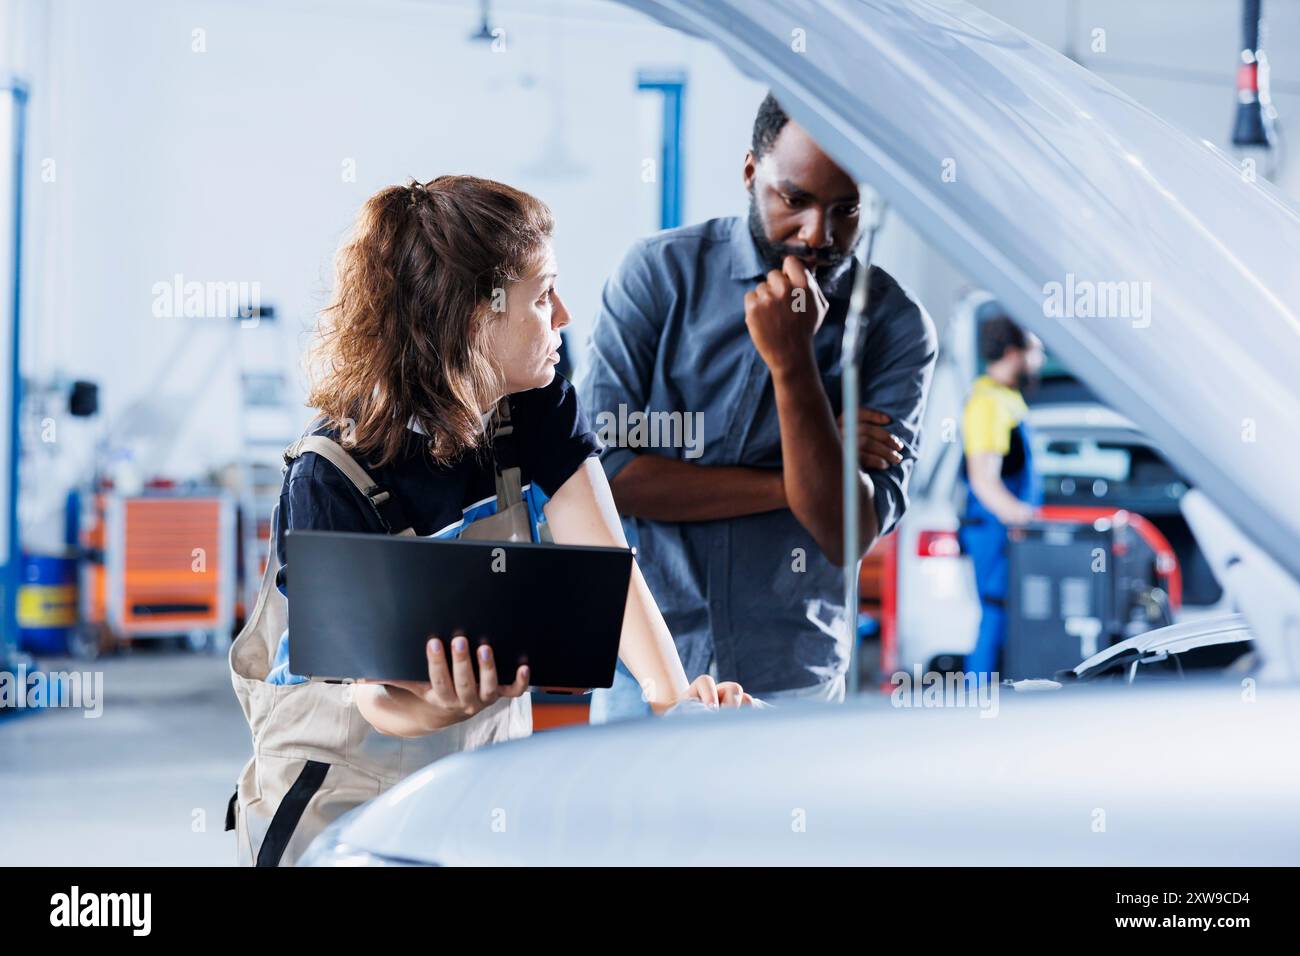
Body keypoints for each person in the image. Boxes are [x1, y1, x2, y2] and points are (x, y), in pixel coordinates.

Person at [229, 175, 751, 866]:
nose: (563, 314)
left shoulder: (533, 402)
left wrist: (678, 704)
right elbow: (372, 699)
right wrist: (439, 708)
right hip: (338, 782)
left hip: (474, 766)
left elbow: (608, 567)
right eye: (542, 295)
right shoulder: (331, 473)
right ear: (474, 318)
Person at [580, 93, 937, 719]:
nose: (818, 235)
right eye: (794, 200)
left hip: (792, 678)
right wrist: (805, 470)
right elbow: (607, 479)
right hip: (648, 671)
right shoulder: (659, 276)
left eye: (845, 210)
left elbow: (843, 530)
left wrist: (792, 361)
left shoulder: (894, 326)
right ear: (751, 174)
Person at [957, 315, 1045, 677]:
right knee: (995, 618)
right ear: (1013, 353)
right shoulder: (989, 403)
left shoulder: (1006, 399)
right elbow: (983, 480)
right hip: (996, 534)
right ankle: (978, 707)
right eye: (1035, 352)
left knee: (1008, 624)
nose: (1039, 362)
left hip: (1004, 533)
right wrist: (1020, 517)